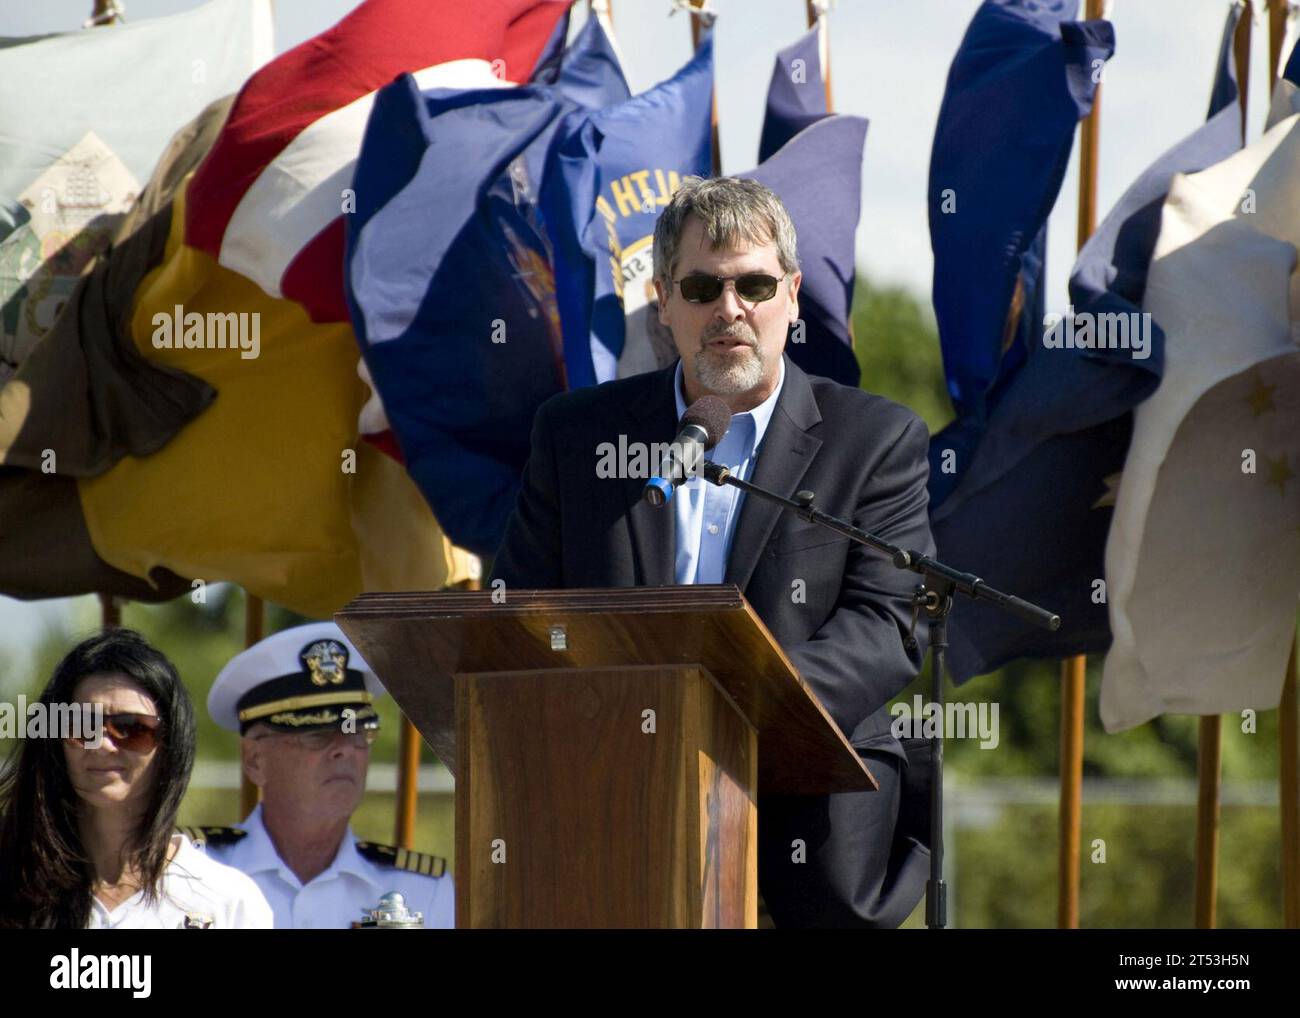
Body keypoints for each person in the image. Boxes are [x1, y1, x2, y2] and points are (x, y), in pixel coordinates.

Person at [491, 175, 935, 928]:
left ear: (792, 297)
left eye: (754, 285)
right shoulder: (578, 436)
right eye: (702, 287)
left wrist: (731, 709)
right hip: (613, 799)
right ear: (663, 302)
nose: (730, 309)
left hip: (814, 821)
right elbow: (526, 614)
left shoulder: (876, 440)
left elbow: (888, 622)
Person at [0, 628, 273, 929]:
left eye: (131, 728)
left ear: (169, 745)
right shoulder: (12, 885)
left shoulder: (228, 902)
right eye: (81, 726)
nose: (102, 744)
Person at [199, 622, 454, 929]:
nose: (344, 749)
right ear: (255, 760)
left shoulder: (421, 890)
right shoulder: (190, 875)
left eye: (358, 732)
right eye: (317, 734)